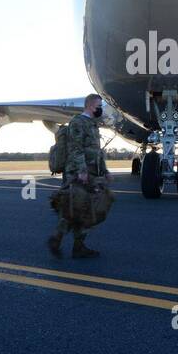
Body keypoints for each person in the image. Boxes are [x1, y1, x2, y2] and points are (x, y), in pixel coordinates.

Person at [47, 94, 109, 259]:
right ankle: (57, 239)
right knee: (73, 208)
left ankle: (78, 245)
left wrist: (105, 171)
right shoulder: (78, 122)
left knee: (87, 210)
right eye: (98, 105)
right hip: (78, 172)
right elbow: (75, 148)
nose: (100, 109)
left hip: (92, 172)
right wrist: (81, 171)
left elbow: (97, 151)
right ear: (89, 106)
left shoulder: (93, 124)